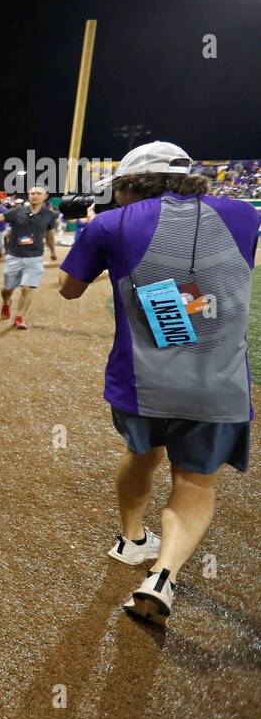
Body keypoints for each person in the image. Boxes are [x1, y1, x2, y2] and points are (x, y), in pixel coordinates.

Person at [57, 141, 257, 627]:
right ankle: (162, 575)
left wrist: (99, 241)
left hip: (141, 381)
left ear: (129, 184)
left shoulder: (109, 224)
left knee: (141, 453)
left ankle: (130, 540)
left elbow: (69, 288)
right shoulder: (244, 216)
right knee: (194, 480)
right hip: (218, 383)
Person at [0, 186, 58, 329]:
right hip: (15, 255)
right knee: (7, 289)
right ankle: (6, 302)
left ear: (45, 196)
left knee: (27, 288)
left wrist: (53, 251)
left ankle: (20, 316)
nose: (35, 196)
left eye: (38, 193)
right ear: (28, 195)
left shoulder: (50, 215)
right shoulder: (17, 212)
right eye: (32, 193)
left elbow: (50, 235)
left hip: (35, 257)